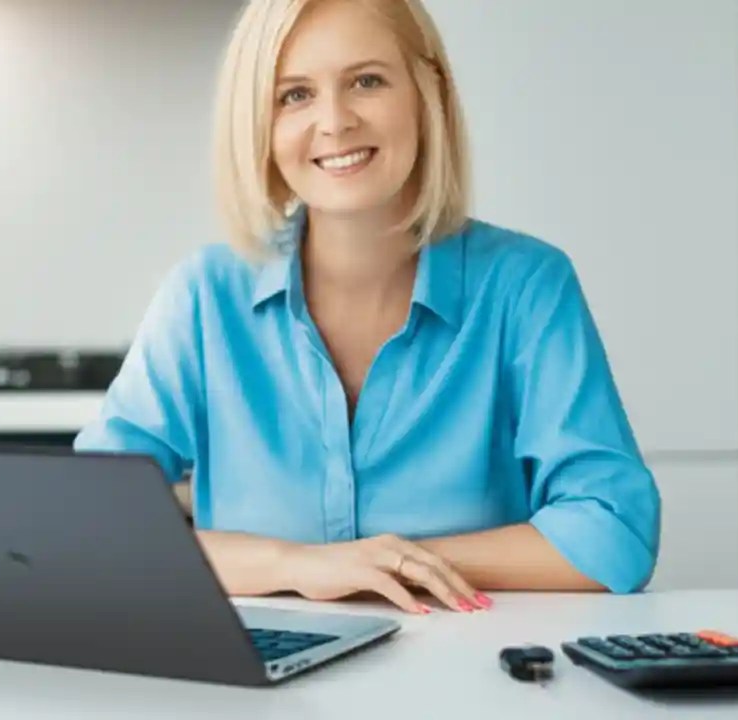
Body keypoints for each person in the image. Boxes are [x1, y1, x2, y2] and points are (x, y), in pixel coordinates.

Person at [74, 0, 660, 615]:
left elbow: (613, 533)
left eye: (367, 81)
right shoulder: (203, 296)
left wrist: (393, 562)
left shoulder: (526, 286)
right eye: (294, 95)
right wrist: (297, 565)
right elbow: (89, 524)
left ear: (425, 94)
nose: (334, 121)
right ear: (260, 125)